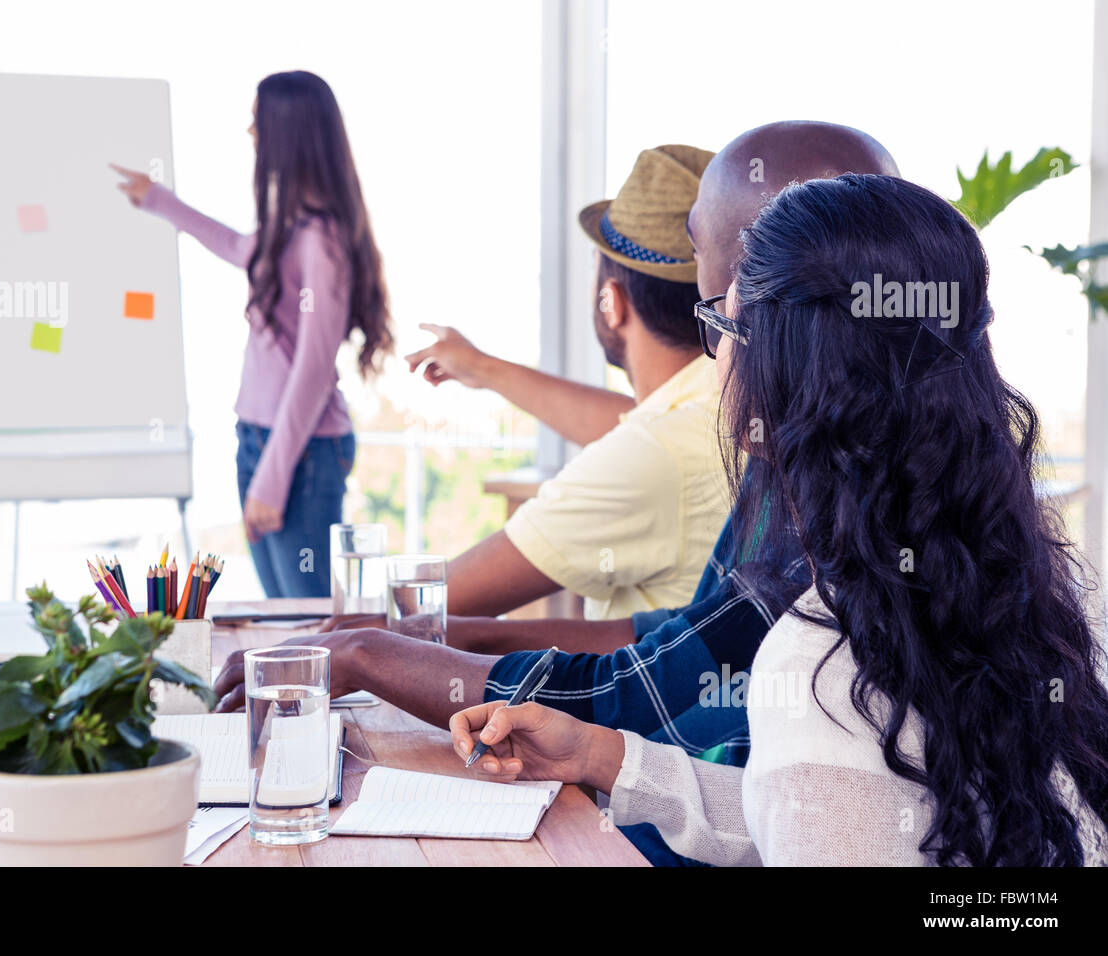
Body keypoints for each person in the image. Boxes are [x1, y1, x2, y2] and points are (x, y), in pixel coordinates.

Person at [217, 120, 902, 864]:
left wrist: (364, 648)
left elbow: (648, 686)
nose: (718, 373)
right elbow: (686, 655)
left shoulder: (747, 482)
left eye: (725, 328)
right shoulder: (851, 461)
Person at [448, 173, 1108, 866]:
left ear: (787, 373)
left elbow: (827, 804)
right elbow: (840, 809)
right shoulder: (1032, 582)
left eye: (724, 328)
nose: (716, 362)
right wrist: (602, 756)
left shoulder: (820, 663)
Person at [407, 145, 729, 620]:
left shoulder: (656, 454)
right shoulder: (726, 397)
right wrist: (484, 368)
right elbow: (631, 425)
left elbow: (427, 608)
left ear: (611, 301)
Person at [113, 70, 391, 598]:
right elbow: (238, 246)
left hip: (301, 452)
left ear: (289, 131)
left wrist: (272, 476)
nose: (250, 132)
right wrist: (159, 200)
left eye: (258, 120)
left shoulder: (321, 242)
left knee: (305, 624)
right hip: (261, 440)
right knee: (289, 614)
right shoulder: (290, 228)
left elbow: (312, 369)